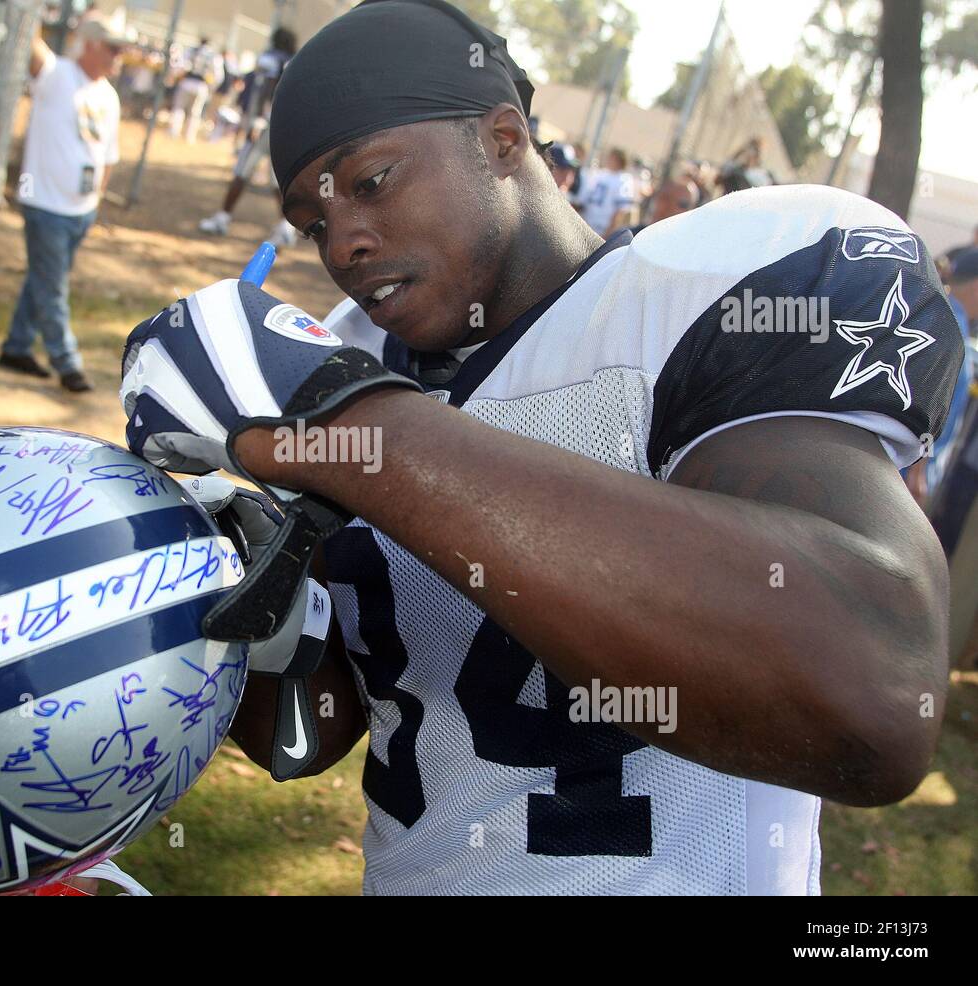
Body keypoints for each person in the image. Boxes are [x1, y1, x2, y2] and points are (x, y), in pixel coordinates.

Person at [121, 0, 962, 895]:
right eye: (312, 223)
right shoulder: (358, 358)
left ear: (504, 138)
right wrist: (222, 567)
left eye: (369, 181)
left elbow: (874, 697)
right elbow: (311, 730)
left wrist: (354, 429)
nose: (346, 242)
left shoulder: (698, 294)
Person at [0, 13, 126, 393]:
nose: (118, 56)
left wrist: (95, 201)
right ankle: (67, 362)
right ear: (87, 44)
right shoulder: (58, 76)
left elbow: (108, 155)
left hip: (80, 211)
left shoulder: (108, 93)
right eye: (111, 47)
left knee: (42, 280)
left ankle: (17, 346)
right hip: (47, 206)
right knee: (53, 288)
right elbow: (30, 41)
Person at [197, 28, 298, 246]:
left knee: (242, 171)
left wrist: (260, 118)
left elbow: (267, 87)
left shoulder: (271, 59)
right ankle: (286, 227)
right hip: (283, 125)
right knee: (275, 180)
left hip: (265, 124)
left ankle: (222, 218)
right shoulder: (293, 60)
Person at [169, 36, 223, 143]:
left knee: (179, 108)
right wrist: (211, 87)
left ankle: (173, 132)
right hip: (201, 86)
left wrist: (177, 77)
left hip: (186, 82)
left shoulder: (190, 51)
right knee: (195, 112)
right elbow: (218, 76)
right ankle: (189, 137)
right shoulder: (213, 56)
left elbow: (179, 66)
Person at [576, 146, 635, 236]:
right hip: (585, 223)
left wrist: (609, 233)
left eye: (613, 157)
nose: (609, 159)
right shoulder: (600, 174)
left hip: (602, 228)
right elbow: (584, 200)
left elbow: (620, 211)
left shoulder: (624, 180)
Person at [614, 176, 700, 236]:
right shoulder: (626, 239)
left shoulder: (688, 253)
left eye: (683, 204)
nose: (671, 206)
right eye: (666, 198)